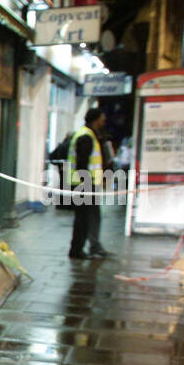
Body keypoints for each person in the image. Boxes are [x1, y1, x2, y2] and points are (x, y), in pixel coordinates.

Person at [67, 107, 109, 259]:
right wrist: (88, 185)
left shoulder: (90, 135)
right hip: (83, 185)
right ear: (96, 120)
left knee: (88, 217)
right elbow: (82, 164)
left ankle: (87, 247)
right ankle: (77, 250)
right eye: (102, 119)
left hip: (86, 184)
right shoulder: (86, 137)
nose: (103, 122)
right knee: (82, 219)